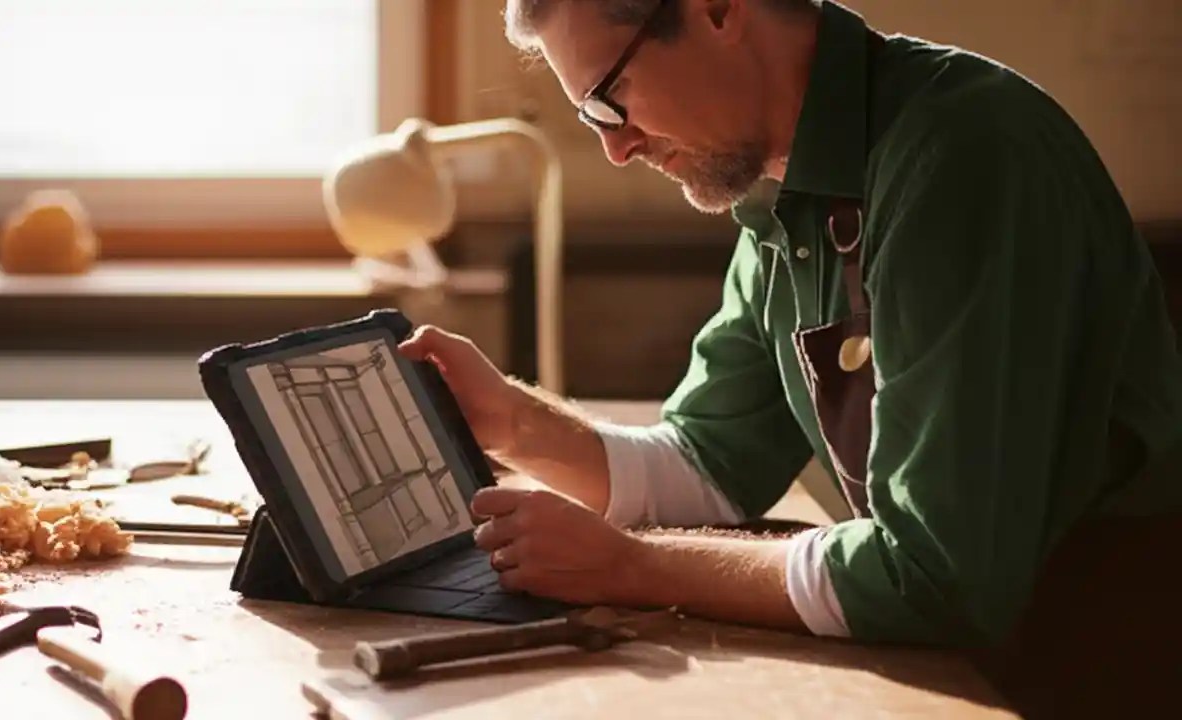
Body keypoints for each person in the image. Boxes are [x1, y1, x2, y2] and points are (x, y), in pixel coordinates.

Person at [397, 0, 1182, 714]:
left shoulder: (963, 152)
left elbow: (936, 577)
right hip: (966, 675)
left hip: (1099, 675)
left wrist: (634, 568)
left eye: (611, 96)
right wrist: (512, 423)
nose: (616, 146)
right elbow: (711, 463)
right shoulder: (781, 193)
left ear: (716, 10)